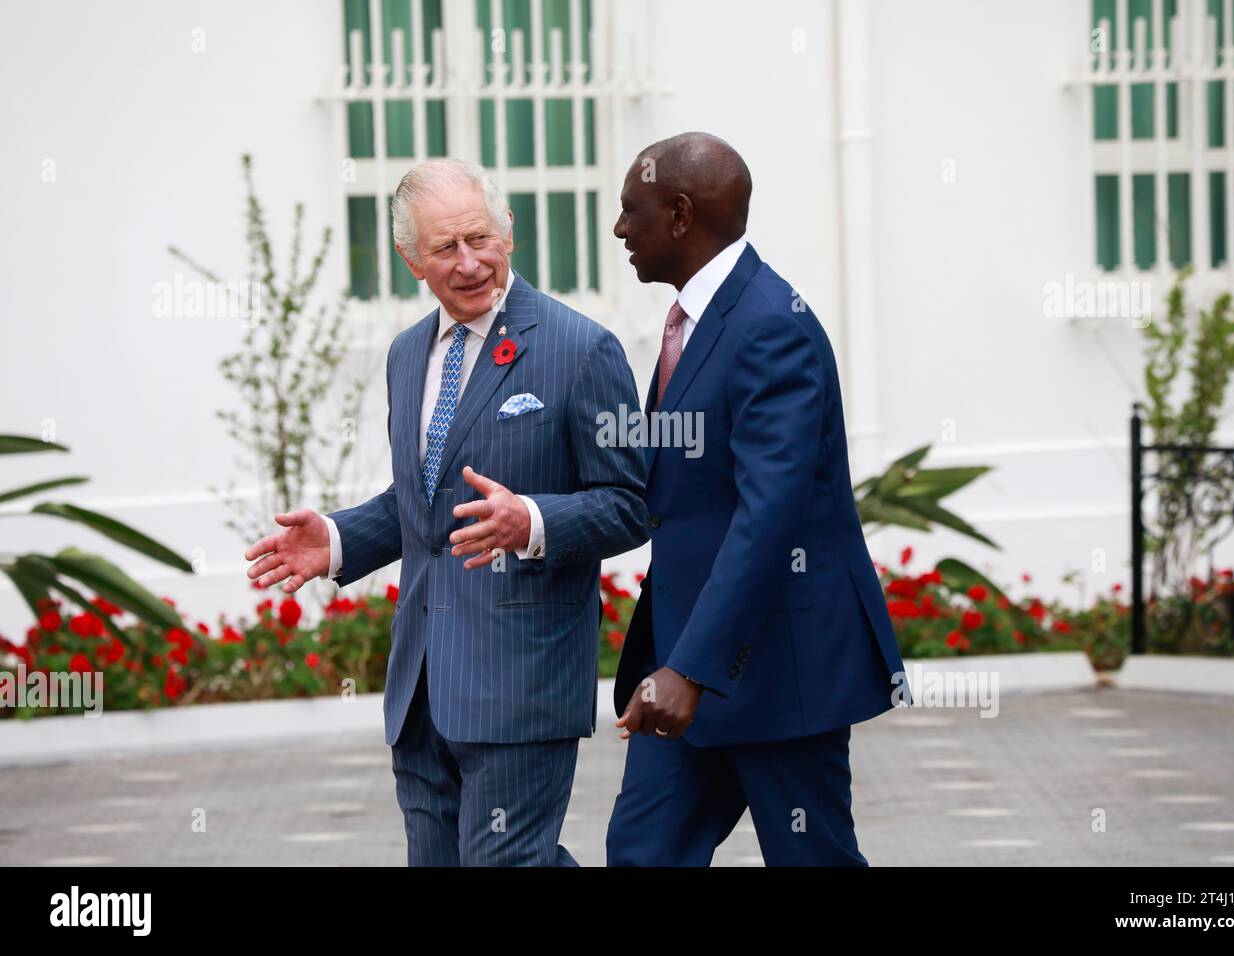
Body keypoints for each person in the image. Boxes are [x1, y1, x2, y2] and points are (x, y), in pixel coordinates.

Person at [243, 158, 648, 866]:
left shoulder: (582, 349)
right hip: (423, 688)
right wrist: (337, 539)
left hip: (522, 682)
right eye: (445, 248)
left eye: (480, 238)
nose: (469, 263)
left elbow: (630, 504)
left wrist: (534, 522)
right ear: (411, 260)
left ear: (508, 234)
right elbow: (423, 502)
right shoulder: (406, 355)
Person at [605, 132, 911, 866]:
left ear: (679, 216)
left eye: (630, 211)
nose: (620, 230)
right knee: (642, 854)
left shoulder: (771, 325)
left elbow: (767, 515)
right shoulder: (696, 320)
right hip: (691, 665)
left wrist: (692, 669)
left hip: (778, 670)